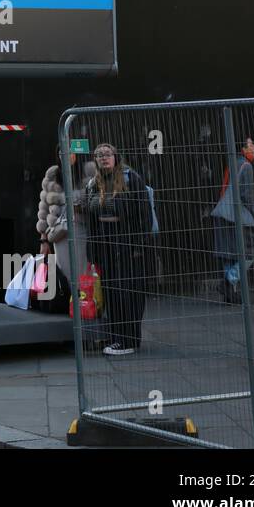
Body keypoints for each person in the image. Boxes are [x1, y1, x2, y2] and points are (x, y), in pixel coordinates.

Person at [80, 143, 150, 356]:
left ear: (115, 156)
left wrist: (139, 244)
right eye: (99, 155)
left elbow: (143, 213)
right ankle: (117, 336)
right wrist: (92, 248)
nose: (103, 158)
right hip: (105, 242)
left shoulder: (131, 179)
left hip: (127, 242)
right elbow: (91, 219)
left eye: (107, 154)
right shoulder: (93, 184)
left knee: (126, 291)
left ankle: (127, 339)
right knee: (111, 291)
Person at [212, 137, 254, 305]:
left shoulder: (232, 163)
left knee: (229, 255)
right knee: (249, 253)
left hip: (222, 214)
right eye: (250, 144)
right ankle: (228, 281)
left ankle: (229, 294)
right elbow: (246, 195)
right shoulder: (246, 166)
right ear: (243, 148)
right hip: (238, 216)